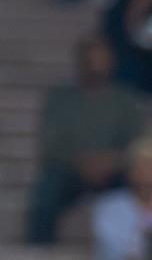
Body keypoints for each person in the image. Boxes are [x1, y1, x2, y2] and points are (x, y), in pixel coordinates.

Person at [30, 35, 146, 245]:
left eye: (101, 61)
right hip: (70, 169)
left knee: (140, 182)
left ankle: (129, 247)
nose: (96, 67)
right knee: (46, 191)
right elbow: (52, 142)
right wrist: (82, 163)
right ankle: (39, 247)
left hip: (114, 171)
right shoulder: (60, 98)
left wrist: (111, 161)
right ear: (80, 62)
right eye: (91, 61)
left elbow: (136, 142)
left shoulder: (125, 100)